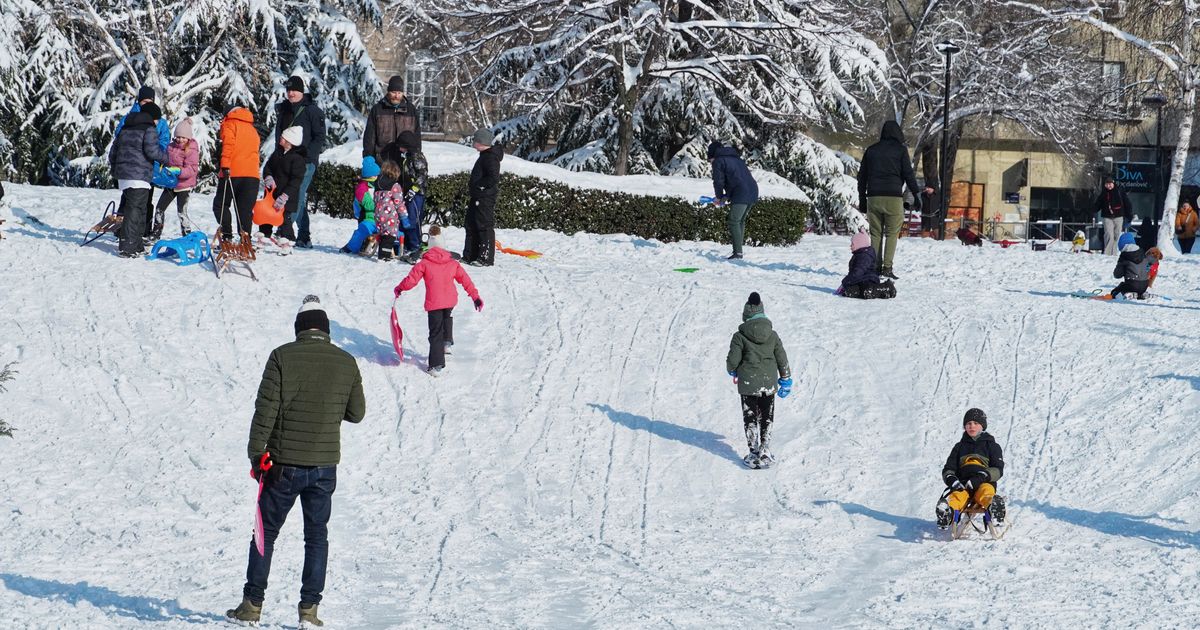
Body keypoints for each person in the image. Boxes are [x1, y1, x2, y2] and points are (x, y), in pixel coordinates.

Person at [225, 295, 366, 628]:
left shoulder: (281, 357)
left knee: (266, 533)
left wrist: (256, 454)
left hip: (283, 465)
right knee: (316, 537)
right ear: (326, 331)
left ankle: (252, 605)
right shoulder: (347, 362)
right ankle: (309, 612)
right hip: (324, 466)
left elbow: (265, 411)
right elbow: (356, 413)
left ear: (299, 329)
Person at [394, 225, 484, 375]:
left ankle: (436, 365)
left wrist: (400, 288)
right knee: (446, 317)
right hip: (449, 301)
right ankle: (447, 343)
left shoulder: (424, 263)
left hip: (434, 303)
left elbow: (411, 280)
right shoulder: (453, 263)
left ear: (429, 247)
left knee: (435, 332)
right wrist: (475, 297)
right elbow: (466, 281)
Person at [857, 121, 934, 279]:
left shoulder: (871, 150)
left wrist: (863, 200)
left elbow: (862, 177)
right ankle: (887, 268)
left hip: (874, 197)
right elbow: (908, 175)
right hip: (893, 198)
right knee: (892, 234)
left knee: (876, 234)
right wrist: (916, 196)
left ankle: (875, 267)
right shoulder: (900, 151)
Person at [725, 292, 791, 469]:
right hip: (768, 384)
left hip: (748, 384)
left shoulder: (739, 336)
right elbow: (782, 358)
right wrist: (785, 378)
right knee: (767, 416)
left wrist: (732, 370)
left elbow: (733, 360)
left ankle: (753, 452)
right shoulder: (773, 335)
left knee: (750, 416)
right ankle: (765, 449)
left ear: (746, 315)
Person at [109, 102, 168, 258]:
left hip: (124, 176)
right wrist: (166, 159)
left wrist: (115, 170)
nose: (157, 123)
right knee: (135, 211)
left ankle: (137, 245)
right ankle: (127, 246)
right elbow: (152, 151)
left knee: (136, 209)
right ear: (152, 117)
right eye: (157, 119)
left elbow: (113, 152)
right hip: (139, 176)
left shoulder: (126, 128)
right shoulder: (149, 129)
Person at [274, 76, 326, 249]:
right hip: (287, 160)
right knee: (299, 198)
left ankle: (284, 232)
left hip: (306, 161)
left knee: (295, 194)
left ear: (301, 91)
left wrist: (308, 155)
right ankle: (304, 236)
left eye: (294, 90)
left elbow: (319, 137)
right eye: (288, 90)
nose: (290, 93)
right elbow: (279, 136)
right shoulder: (284, 110)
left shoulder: (312, 111)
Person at [935, 408, 1005, 530]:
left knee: (986, 493)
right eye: (968, 423)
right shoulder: (959, 447)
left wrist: (982, 476)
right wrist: (951, 479)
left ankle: (995, 509)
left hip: (984, 482)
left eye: (975, 423)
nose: (971, 426)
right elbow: (948, 468)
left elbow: (998, 469)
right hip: (963, 484)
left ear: (982, 426)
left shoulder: (991, 446)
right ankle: (947, 514)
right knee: (957, 496)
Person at [213, 105, 261, 243]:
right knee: (244, 210)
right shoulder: (252, 129)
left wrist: (225, 165)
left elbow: (228, 145)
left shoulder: (230, 124)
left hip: (233, 172)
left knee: (220, 205)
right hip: (252, 175)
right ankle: (246, 239)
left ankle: (227, 235)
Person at [257, 125, 309, 248]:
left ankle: (288, 241)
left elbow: (296, 180)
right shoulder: (277, 152)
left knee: (284, 219)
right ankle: (264, 236)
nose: (280, 138)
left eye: (283, 138)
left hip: (287, 197)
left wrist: (285, 196)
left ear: (290, 142)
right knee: (266, 215)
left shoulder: (298, 159)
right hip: (272, 193)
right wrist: (268, 177)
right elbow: (268, 167)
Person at [707, 141, 759, 260]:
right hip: (752, 190)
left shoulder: (718, 161)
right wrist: (725, 197)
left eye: (709, 161)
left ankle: (738, 253)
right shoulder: (737, 159)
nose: (710, 163)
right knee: (740, 221)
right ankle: (738, 251)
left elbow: (719, 182)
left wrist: (719, 197)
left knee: (734, 221)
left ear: (712, 155)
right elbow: (735, 180)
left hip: (741, 192)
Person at [151, 117, 200, 238]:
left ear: (188, 137)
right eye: (178, 137)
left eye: (183, 137)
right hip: (171, 184)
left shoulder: (191, 149)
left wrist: (179, 171)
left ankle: (186, 234)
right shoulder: (170, 147)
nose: (180, 139)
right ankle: (156, 233)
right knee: (159, 208)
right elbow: (166, 160)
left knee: (181, 212)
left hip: (184, 185)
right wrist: (162, 168)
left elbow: (192, 169)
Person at [462, 128, 503, 266]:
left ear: (480, 142)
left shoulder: (490, 157)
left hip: (484, 198)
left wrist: (479, 185)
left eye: (475, 140)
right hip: (477, 197)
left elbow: (493, 178)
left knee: (484, 226)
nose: (473, 142)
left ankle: (485, 258)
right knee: (470, 224)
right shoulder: (484, 155)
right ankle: (470, 255)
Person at [363, 75, 420, 163]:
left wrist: (417, 156)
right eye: (393, 92)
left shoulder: (411, 110)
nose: (396, 96)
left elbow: (416, 137)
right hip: (382, 160)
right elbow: (370, 137)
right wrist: (368, 157)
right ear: (388, 91)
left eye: (399, 93)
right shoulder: (378, 110)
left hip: (405, 161)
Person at [394, 130, 429, 262]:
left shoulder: (416, 156)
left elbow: (422, 174)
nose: (399, 148)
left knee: (413, 219)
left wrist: (413, 190)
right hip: (407, 193)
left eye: (401, 145)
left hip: (416, 194)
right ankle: (407, 244)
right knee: (405, 219)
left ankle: (415, 245)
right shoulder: (408, 156)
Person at [837, 231, 896, 299]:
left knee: (867, 290)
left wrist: (846, 281)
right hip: (859, 279)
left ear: (859, 244)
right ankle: (856, 292)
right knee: (850, 290)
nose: (850, 246)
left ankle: (886, 287)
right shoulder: (858, 255)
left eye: (852, 244)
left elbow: (858, 271)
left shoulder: (864, 256)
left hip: (868, 279)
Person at [340, 157, 379, 254]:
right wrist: (381, 205)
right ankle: (351, 247)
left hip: (379, 217)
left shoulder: (375, 185)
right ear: (371, 176)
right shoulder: (362, 188)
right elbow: (368, 205)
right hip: (367, 216)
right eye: (376, 175)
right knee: (363, 230)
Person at [373, 160, 409, 261]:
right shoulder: (395, 185)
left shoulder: (377, 183)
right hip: (389, 215)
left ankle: (383, 253)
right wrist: (404, 216)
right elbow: (399, 202)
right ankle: (384, 256)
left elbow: (375, 199)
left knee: (384, 235)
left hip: (378, 214)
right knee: (389, 236)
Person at [1101, 232, 1154, 300]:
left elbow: (1117, 275)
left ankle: (1129, 294)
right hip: (1145, 284)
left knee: (1115, 291)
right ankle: (1142, 294)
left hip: (1132, 284)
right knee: (1135, 286)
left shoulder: (1124, 256)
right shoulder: (1143, 253)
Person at [1095, 176, 1132, 256]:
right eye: (1107, 184)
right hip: (1107, 217)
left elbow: (1127, 203)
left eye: (1110, 184)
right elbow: (1098, 204)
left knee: (1116, 235)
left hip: (1119, 217)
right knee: (1109, 234)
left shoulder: (1119, 191)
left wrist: (1129, 215)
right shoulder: (1103, 193)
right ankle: (1107, 253)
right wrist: (1092, 210)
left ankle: (1114, 253)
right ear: (1105, 185)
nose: (1109, 186)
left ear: (1113, 184)